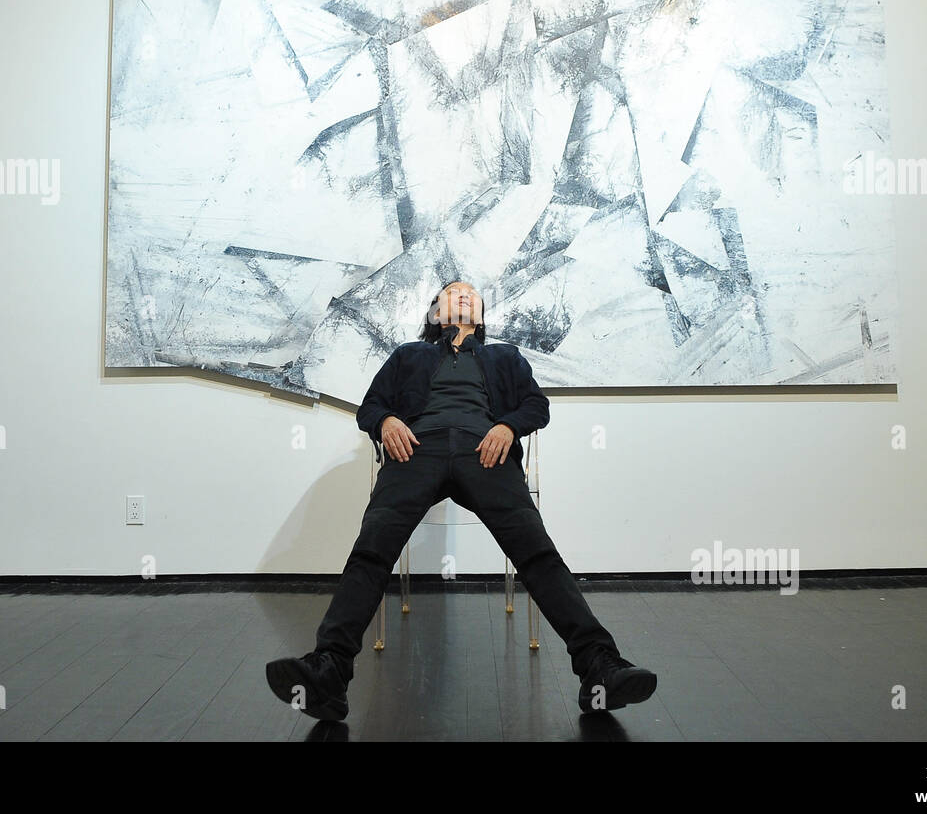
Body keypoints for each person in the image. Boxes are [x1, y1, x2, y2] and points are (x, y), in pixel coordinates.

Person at [265, 281, 658, 721]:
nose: (466, 295)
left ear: (483, 314)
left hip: (485, 451)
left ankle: (599, 667)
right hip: (416, 450)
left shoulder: (503, 357)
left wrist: (508, 427)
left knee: (538, 554)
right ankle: (329, 671)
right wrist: (388, 419)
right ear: (436, 311)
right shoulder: (408, 355)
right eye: (454, 292)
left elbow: (536, 406)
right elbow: (370, 408)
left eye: (473, 293)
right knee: (371, 550)